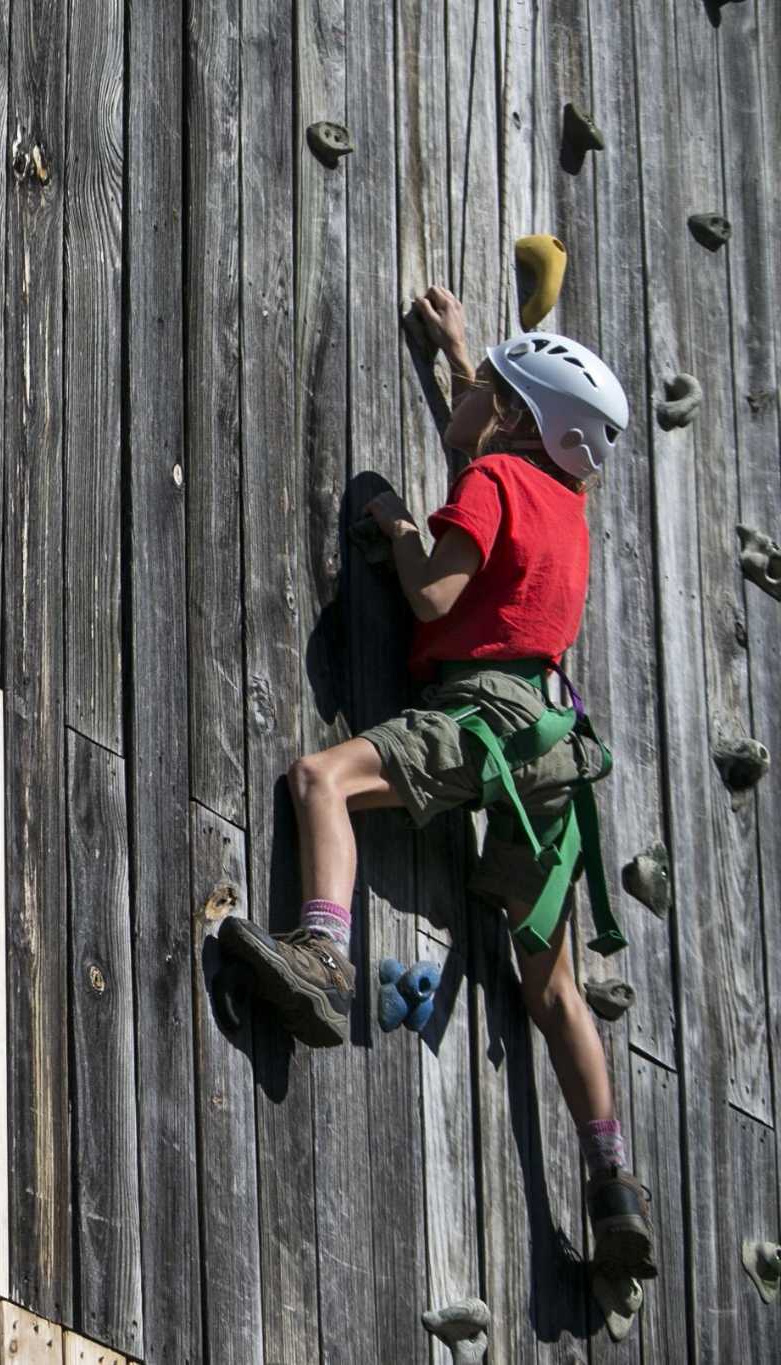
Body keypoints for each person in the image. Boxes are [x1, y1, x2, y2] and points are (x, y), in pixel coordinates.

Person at [217, 283, 655, 1279]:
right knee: (552, 986)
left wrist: (395, 523)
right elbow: (490, 435)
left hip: (483, 713)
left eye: (489, 387)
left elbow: (433, 591)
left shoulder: (491, 480)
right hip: (555, 745)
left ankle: (323, 958)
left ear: (514, 417)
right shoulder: (564, 501)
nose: (472, 397)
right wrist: (460, 353)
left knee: (319, 779)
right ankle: (613, 1183)